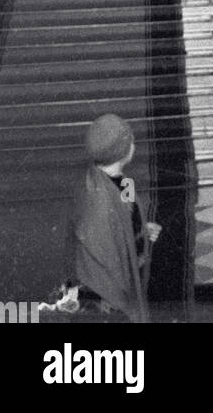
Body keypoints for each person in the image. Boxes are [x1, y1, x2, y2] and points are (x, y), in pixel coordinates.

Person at [65, 114, 160, 324]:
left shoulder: (124, 182)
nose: (134, 145)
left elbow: (126, 219)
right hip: (107, 290)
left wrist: (142, 229)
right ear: (123, 150)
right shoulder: (98, 199)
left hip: (119, 277)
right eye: (131, 141)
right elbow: (106, 253)